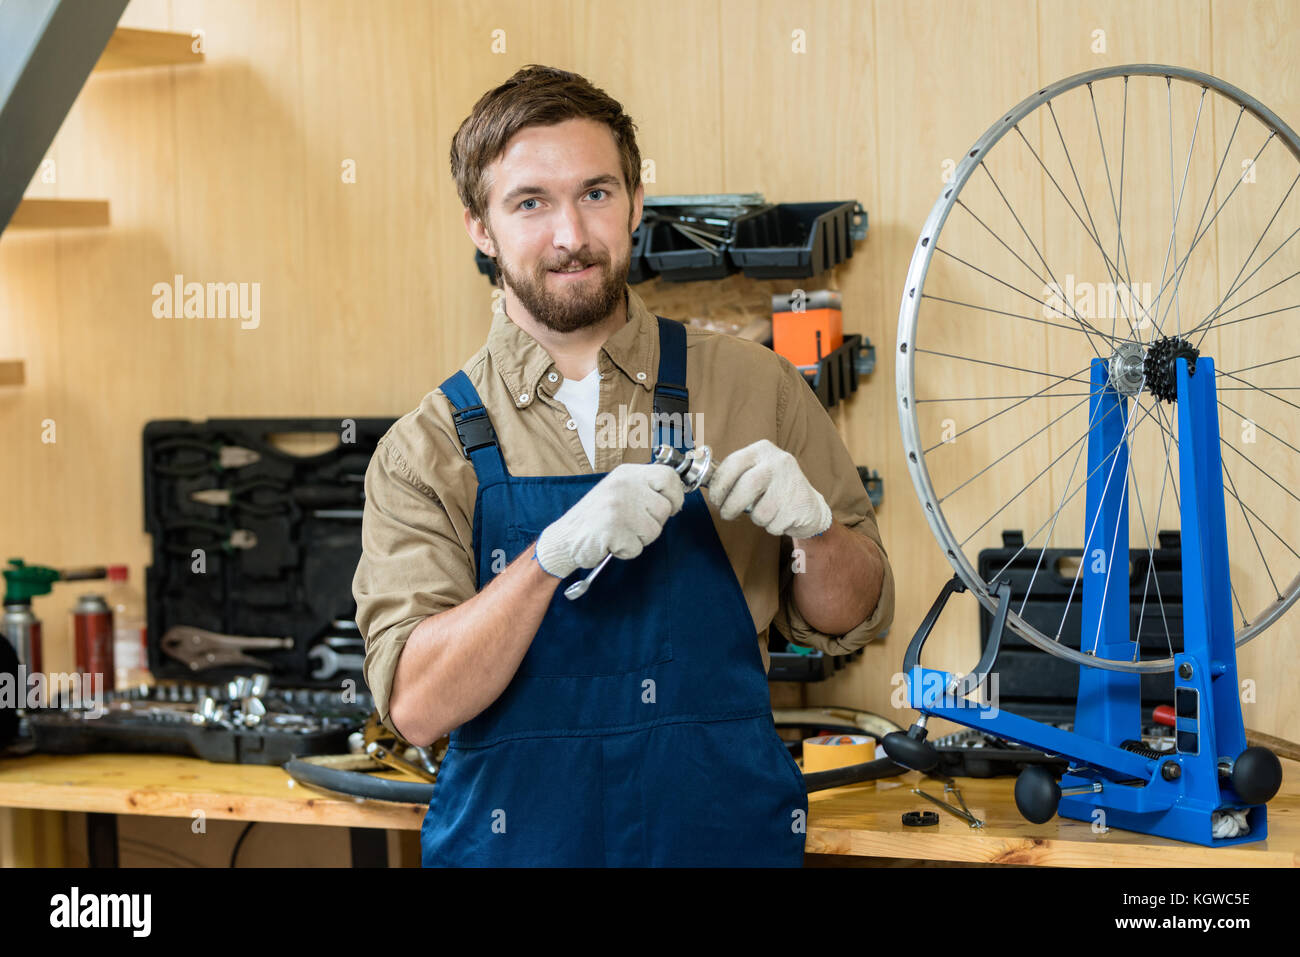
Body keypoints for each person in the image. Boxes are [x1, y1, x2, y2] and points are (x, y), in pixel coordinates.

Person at [352, 64, 894, 867]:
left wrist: (816, 531)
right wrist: (545, 559)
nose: (571, 234)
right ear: (479, 227)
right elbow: (418, 706)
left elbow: (854, 612)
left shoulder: (756, 387)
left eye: (597, 193)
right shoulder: (424, 451)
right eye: (530, 202)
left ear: (636, 203)